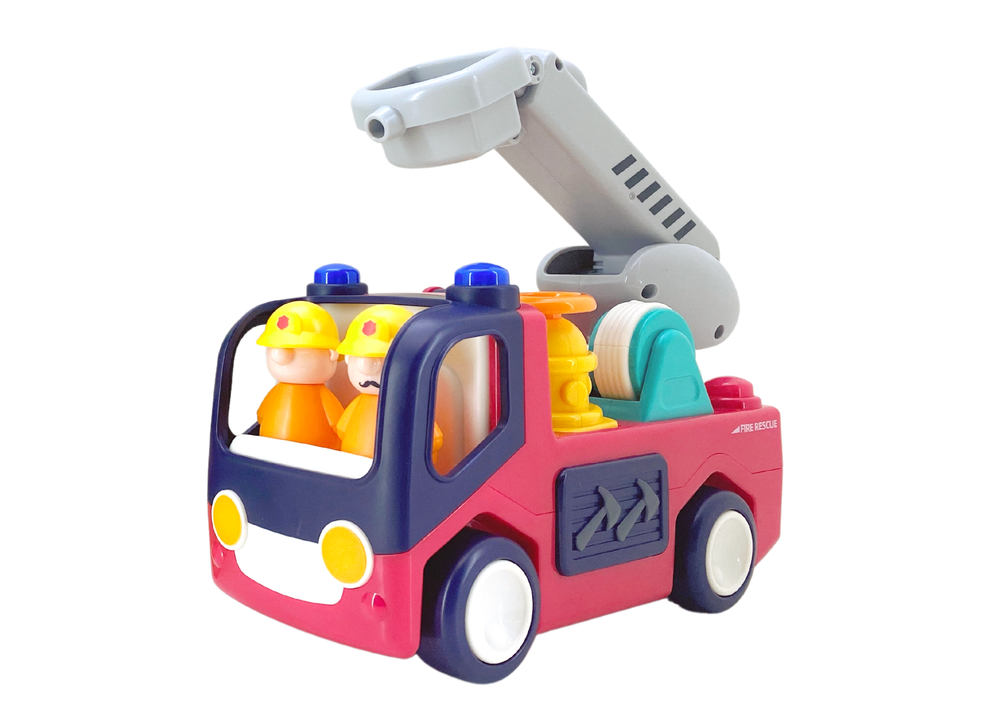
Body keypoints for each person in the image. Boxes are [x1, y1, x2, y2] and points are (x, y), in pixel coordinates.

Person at [336, 304, 443, 461]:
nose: (367, 369)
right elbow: (342, 428)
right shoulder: (359, 402)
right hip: (353, 464)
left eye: (384, 361)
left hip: (397, 467)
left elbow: (433, 438)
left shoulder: (410, 406)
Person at [256, 301, 344, 449]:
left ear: (331, 354)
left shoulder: (321, 394)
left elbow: (337, 422)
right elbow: (262, 414)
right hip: (272, 445)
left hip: (317, 448)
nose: (281, 355)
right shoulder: (279, 390)